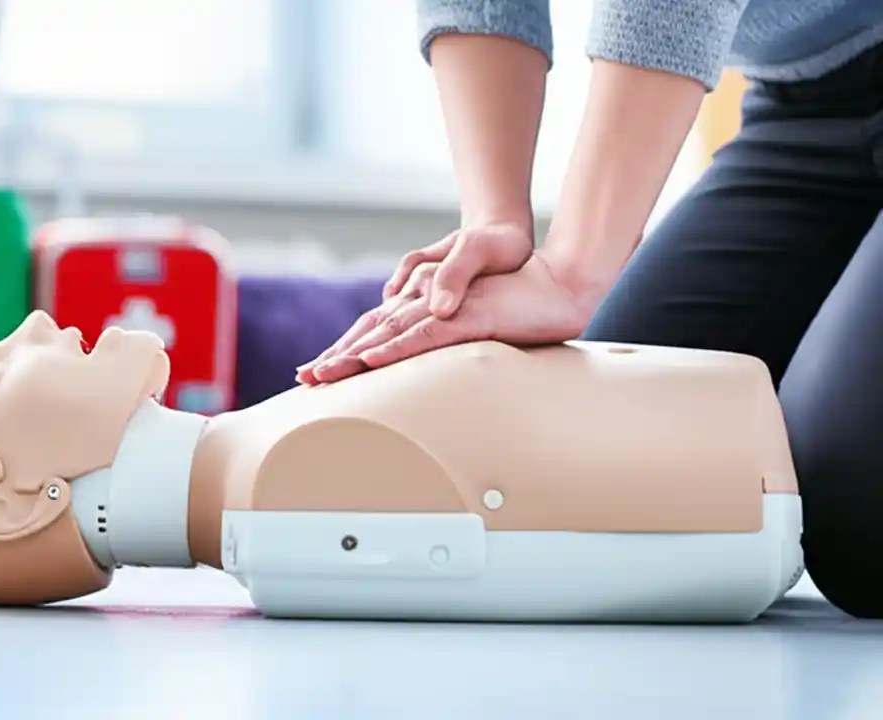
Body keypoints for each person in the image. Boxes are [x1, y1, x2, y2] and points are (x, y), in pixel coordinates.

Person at [296, 0, 883, 620]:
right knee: (600, 458)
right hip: (810, 101)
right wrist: (496, 220)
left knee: (863, 525)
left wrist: (575, 270)